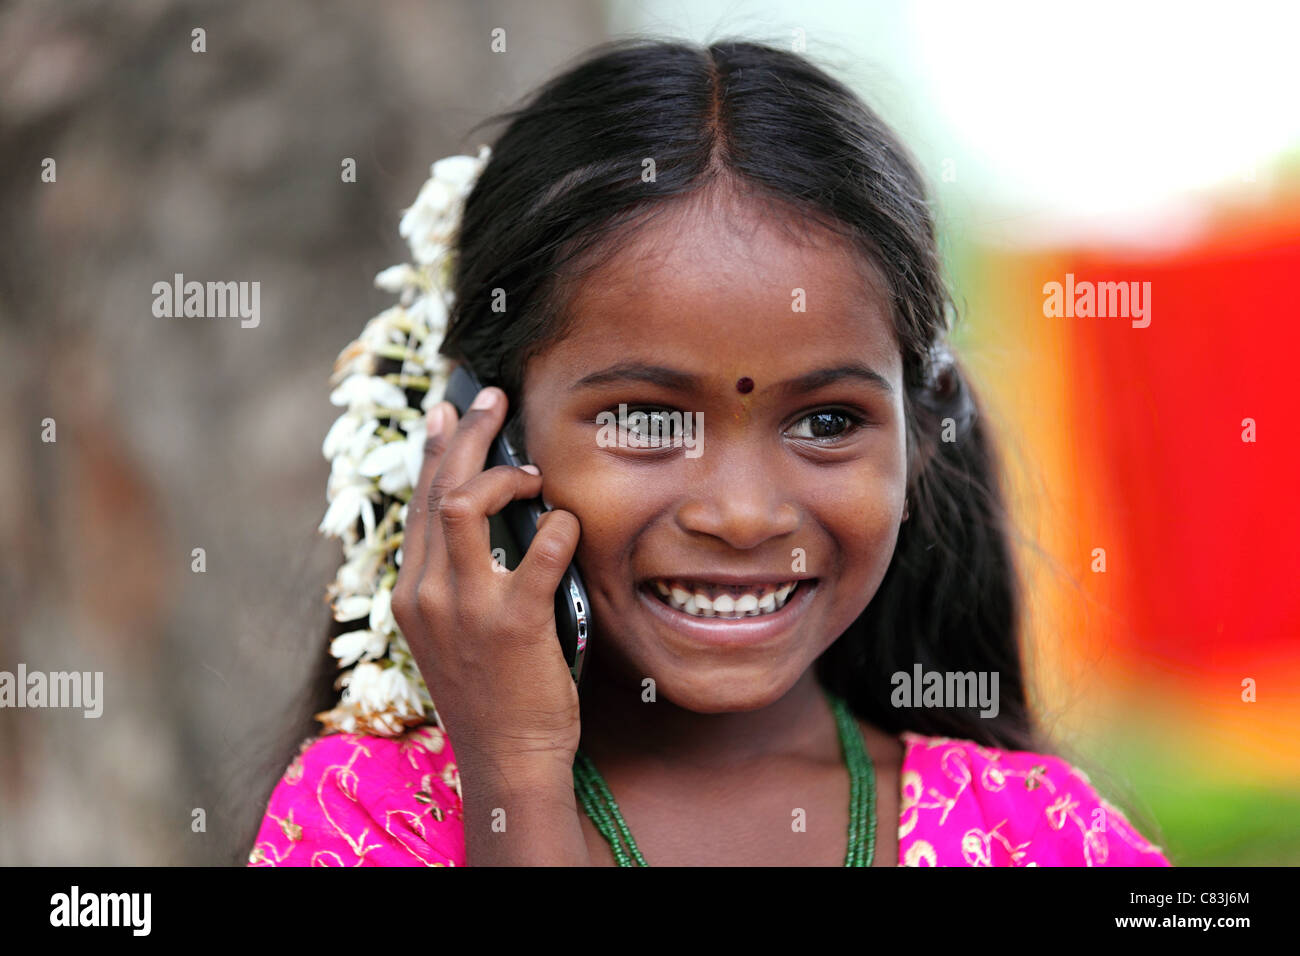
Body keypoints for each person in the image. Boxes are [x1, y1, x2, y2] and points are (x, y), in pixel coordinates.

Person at [246, 37, 1171, 867]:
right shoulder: (369, 816)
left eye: (827, 422)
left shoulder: (1037, 835)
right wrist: (519, 787)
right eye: (647, 420)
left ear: (920, 436)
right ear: (486, 437)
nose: (741, 515)